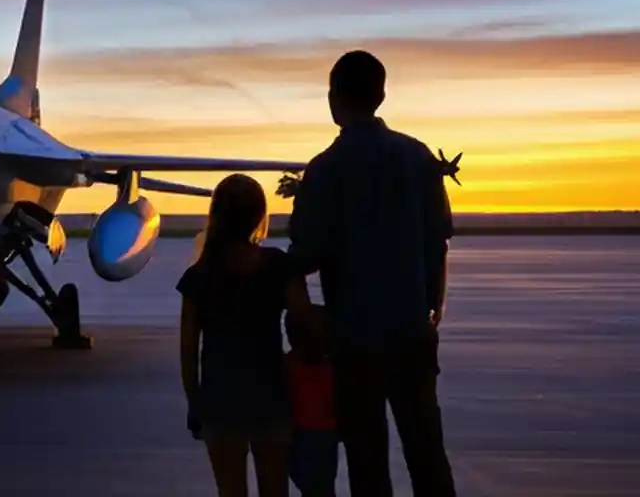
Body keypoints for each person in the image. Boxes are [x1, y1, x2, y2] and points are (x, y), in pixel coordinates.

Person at [288, 50, 456, 497]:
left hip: (355, 342)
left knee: (367, 464)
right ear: (381, 94)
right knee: (427, 453)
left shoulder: (325, 170)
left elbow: (303, 253)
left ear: (334, 98)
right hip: (412, 334)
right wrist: (432, 312)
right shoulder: (419, 158)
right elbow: (439, 242)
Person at [179, 174, 314, 497]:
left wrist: (195, 401)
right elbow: (304, 323)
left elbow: (187, 350)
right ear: (258, 215)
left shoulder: (199, 276)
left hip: (220, 398)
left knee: (230, 491)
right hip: (270, 395)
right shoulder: (277, 266)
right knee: (275, 489)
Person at [285, 306, 338, 497]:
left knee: (311, 486)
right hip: (325, 436)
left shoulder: (288, 366)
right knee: (323, 487)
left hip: (300, 436)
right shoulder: (332, 369)